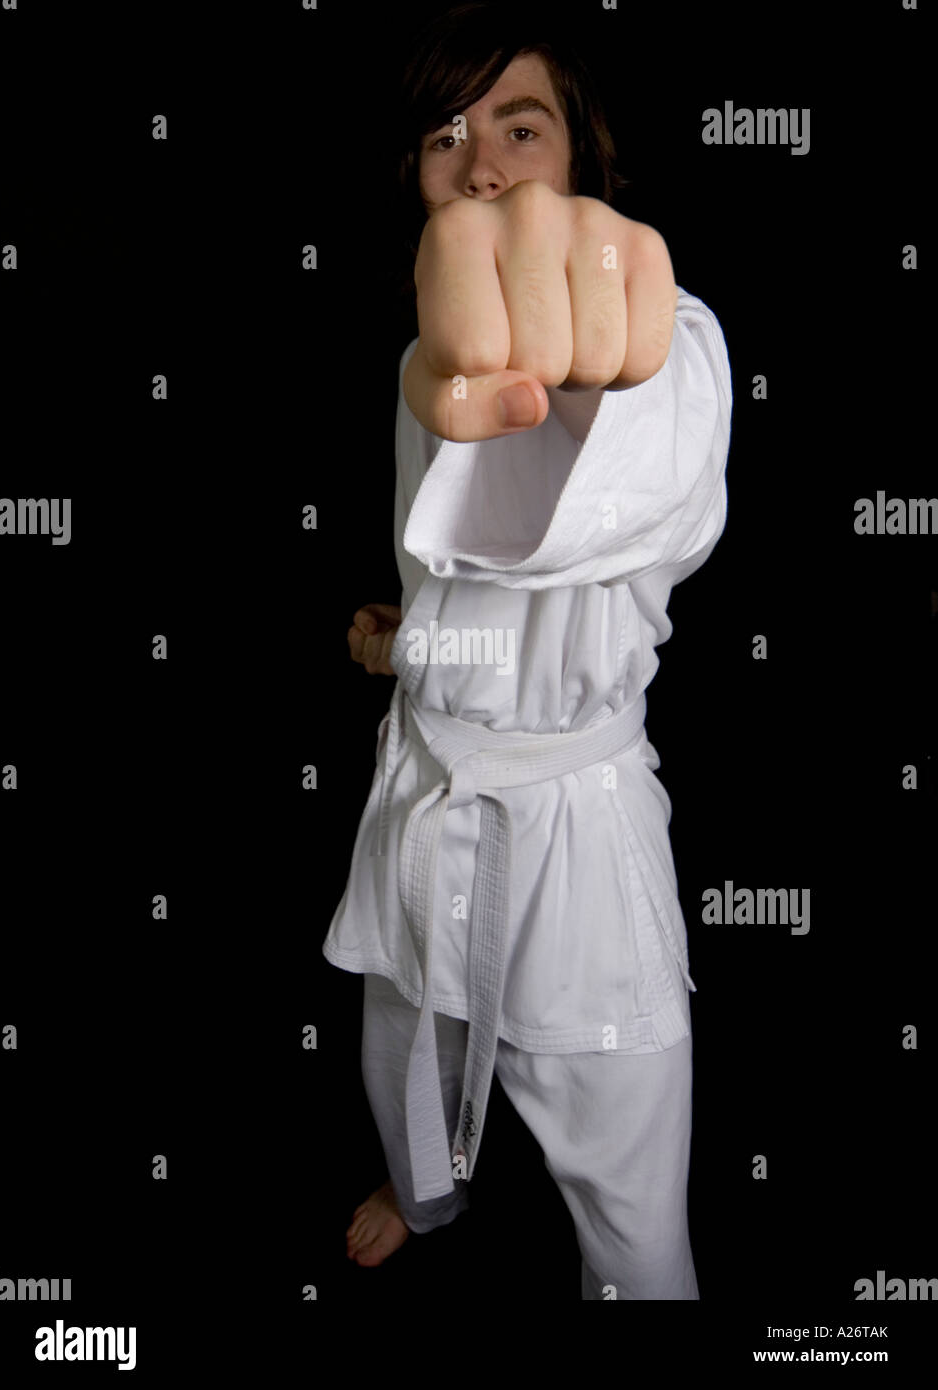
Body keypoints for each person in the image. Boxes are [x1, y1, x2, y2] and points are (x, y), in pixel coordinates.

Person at [324, 1, 732, 1300]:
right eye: (449, 136)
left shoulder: (657, 356)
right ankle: (426, 1187)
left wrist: (608, 352)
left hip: (570, 827)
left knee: (627, 1190)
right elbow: (465, 580)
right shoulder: (415, 364)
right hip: (427, 778)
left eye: (520, 127)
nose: (485, 164)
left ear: (584, 170)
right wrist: (406, 647)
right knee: (402, 1042)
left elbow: (638, 477)